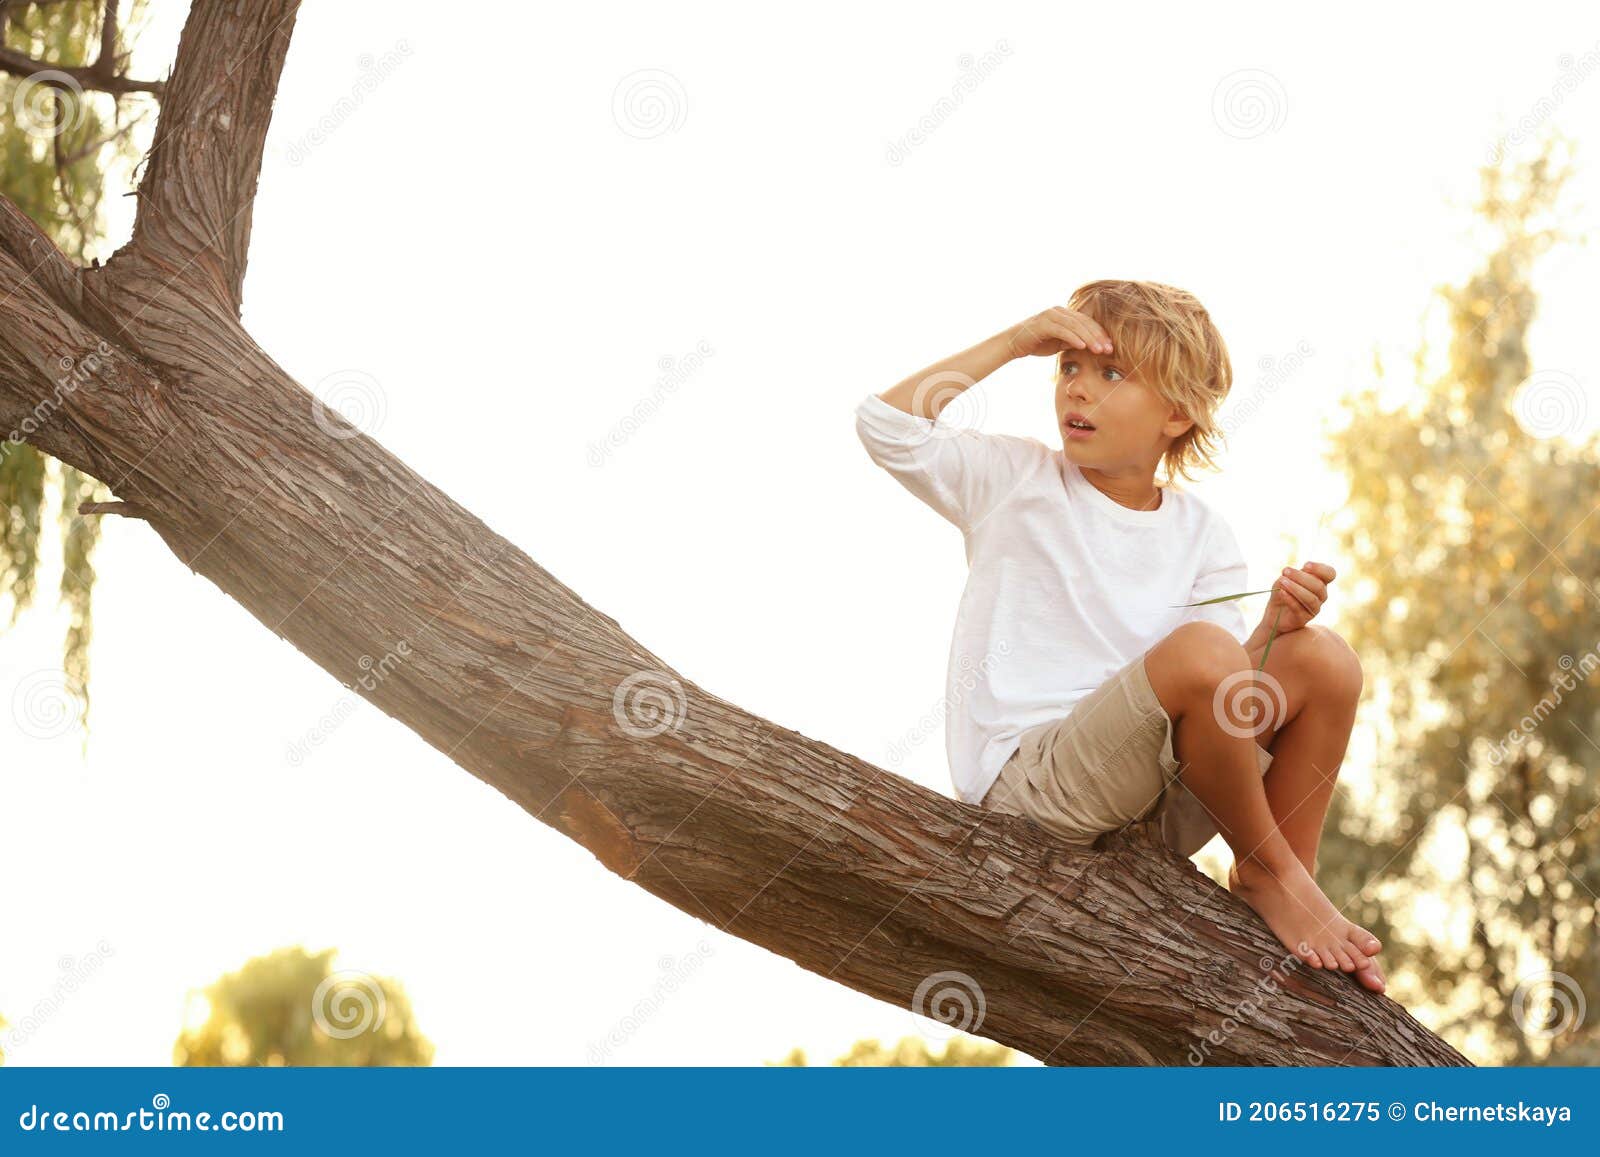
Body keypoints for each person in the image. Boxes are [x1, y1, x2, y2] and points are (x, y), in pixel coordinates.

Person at [853, 279, 1385, 994]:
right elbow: (886, 426)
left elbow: (1226, 697)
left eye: (1111, 374)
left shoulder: (1204, 536)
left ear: (1178, 412)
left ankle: (1282, 874)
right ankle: (1272, 869)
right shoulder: (1013, 479)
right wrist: (1014, 342)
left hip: (1153, 793)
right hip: (1034, 787)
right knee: (1205, 653)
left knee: (1325, 662)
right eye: (1068, 367)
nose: (1078, 390)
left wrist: (1270, 632)